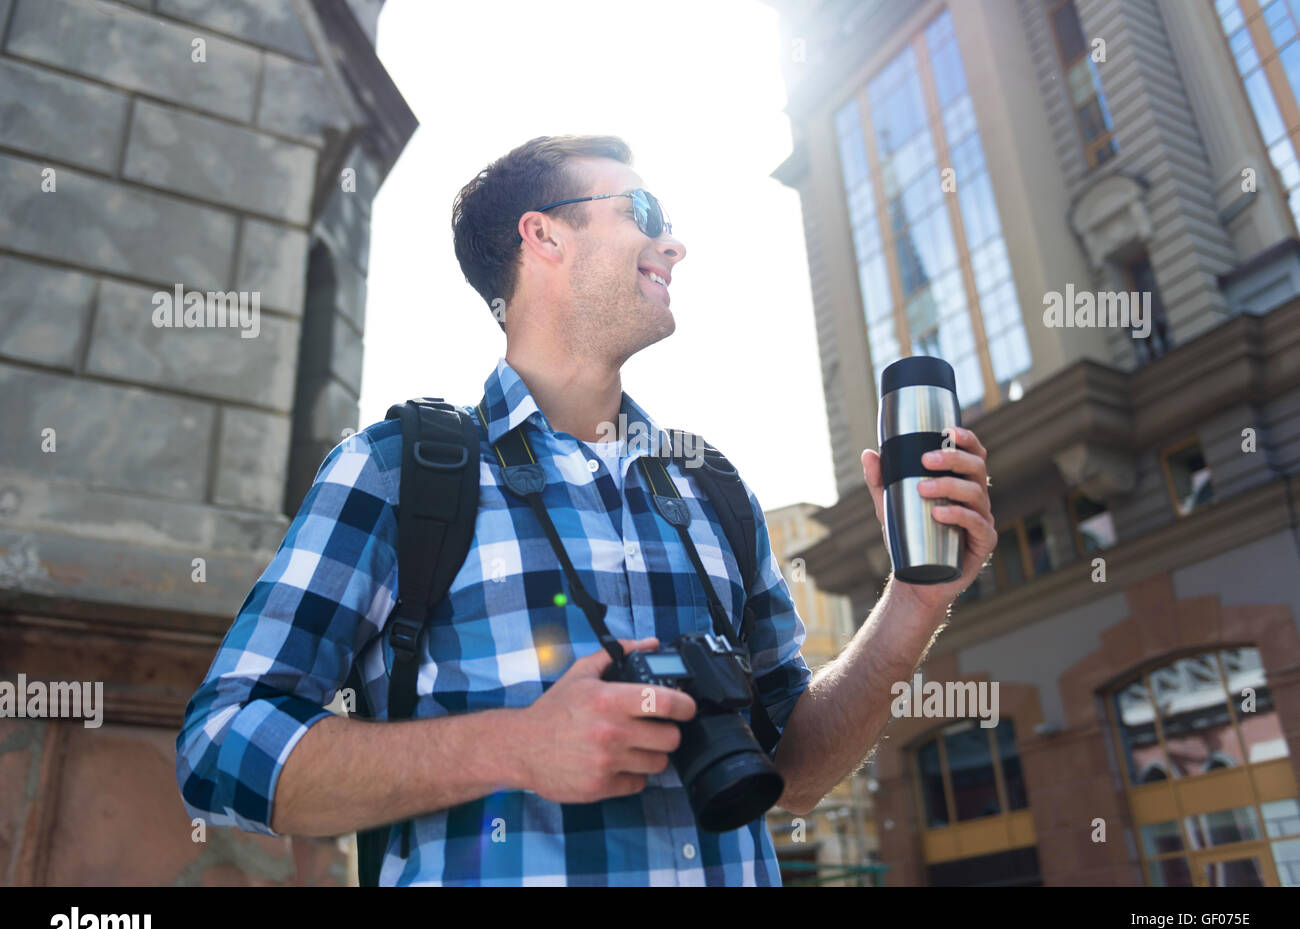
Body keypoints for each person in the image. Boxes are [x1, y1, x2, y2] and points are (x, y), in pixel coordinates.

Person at [175, 135, 996, 886]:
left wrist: (914, 603)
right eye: (644, 214)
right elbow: (217, 748)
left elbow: (800, 774)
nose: (674, 243)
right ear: (545, 237)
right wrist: (517, 745)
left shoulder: (712, 486)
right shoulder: (394, 473)